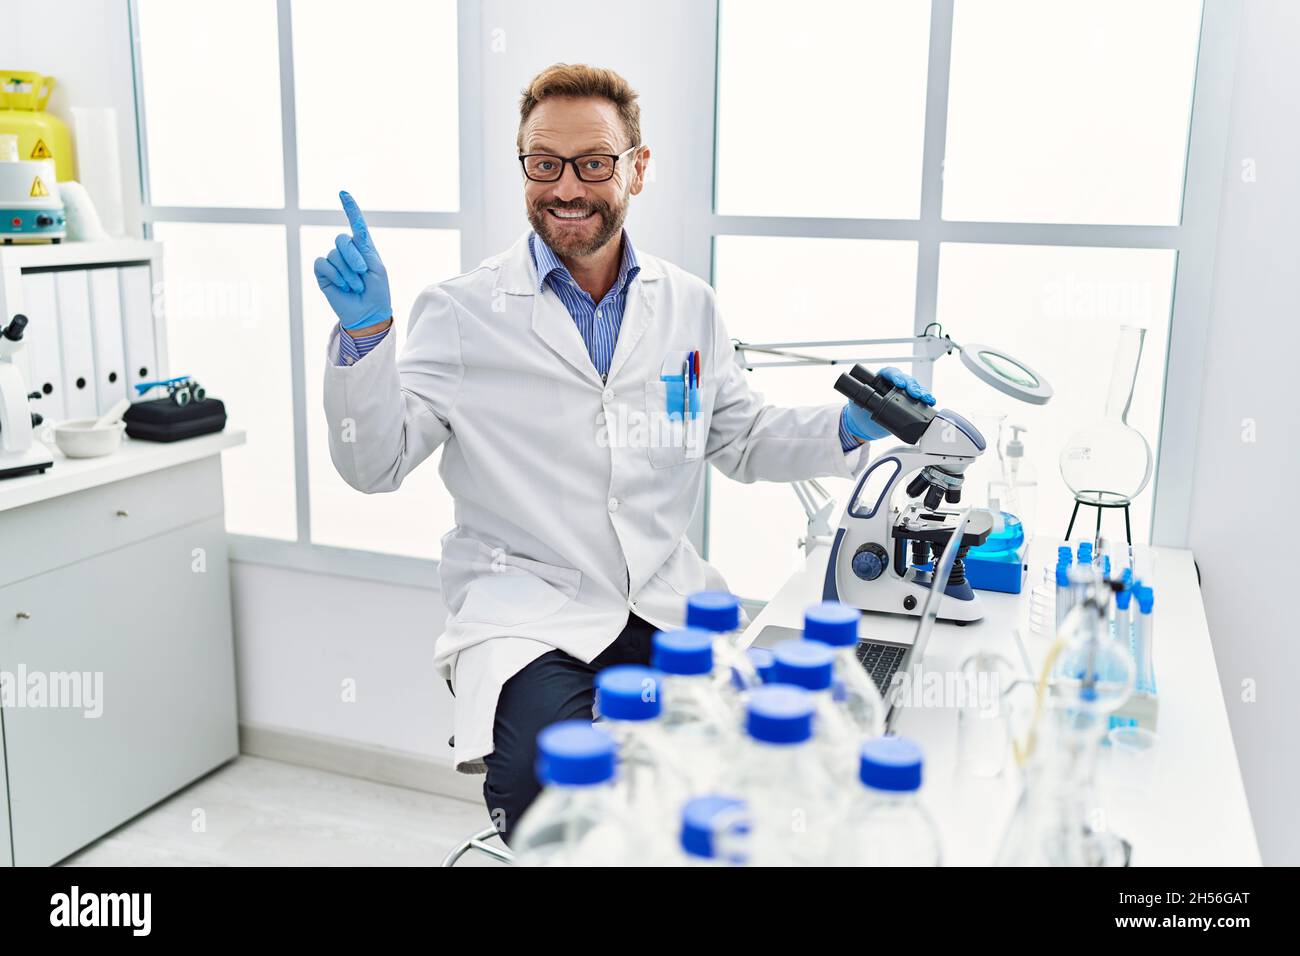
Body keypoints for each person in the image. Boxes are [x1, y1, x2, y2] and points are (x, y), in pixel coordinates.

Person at [314, 63, 934, 842]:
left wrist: (850, 428)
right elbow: (372, 463)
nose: (567, 187)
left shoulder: (687, 305)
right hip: (529, 610)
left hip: (664, 597)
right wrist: (368, 336)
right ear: (524, 167)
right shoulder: (462, 312)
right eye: (545, 163)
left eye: (593, 163)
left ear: (637, 168)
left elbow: (739, 437)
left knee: (733, 772)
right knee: (542, 786)